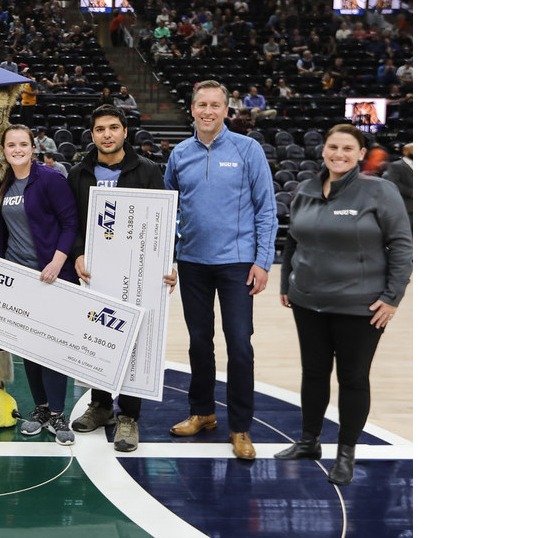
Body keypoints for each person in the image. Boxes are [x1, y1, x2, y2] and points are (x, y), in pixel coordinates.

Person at [275, 124, 412, 485]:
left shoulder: (379, 191)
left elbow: (401, 244)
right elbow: (292, 239)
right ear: (323, 151)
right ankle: (309, 441)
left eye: (348, 148)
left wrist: (393, 296)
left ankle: (346, 452)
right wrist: (286, 279)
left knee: (352, 378)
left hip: (360, 305)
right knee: (314, 373)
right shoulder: (305, 189)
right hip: (308, 301)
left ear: (361, 153)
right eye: (333, 146)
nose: (339, 154)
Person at [164, 80, 278, 460]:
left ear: (226, 110)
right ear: (192, 109)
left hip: (237, 264)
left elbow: (266, 209)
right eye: (202, 105)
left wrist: (262, 261)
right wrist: (169, 259)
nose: (208, 111)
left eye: (215, 105)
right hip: (193, 263)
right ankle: (202, 413)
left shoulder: (248, 149)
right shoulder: (179, 154)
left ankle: (241, 428)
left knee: (239, 347)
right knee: (199, 343)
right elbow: (169, 211)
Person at [67, 105, 177, 452]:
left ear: (125, 132)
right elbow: (70, 222)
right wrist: (78, 253)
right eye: (100, 129)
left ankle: (128, 416)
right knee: (96, 335)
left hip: (136, 271)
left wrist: (167, 262)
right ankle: (101, 406)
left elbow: (162, 221)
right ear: (92, 134)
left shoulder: (146, 170)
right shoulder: (79, 172)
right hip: (94, 271)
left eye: (114, 128)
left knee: (133, 339)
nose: (107, 135)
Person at [0, 124, 80, 445]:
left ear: (34, 148)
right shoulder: (4, 183)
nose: (17, 149)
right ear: (3, 150)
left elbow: (70, 221)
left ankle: (59, 413)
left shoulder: (50, 179)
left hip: (51, 277)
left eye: (23, 144)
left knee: (52, 348)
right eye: (11, 145)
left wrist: (58, 262)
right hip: (20, 281)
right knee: (29, 347)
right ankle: (41, 409)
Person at [382, 142, 413, 231]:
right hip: (407, 206)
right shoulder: (395, 165)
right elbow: (394, 183)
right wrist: (411, 193)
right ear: (405, 152)